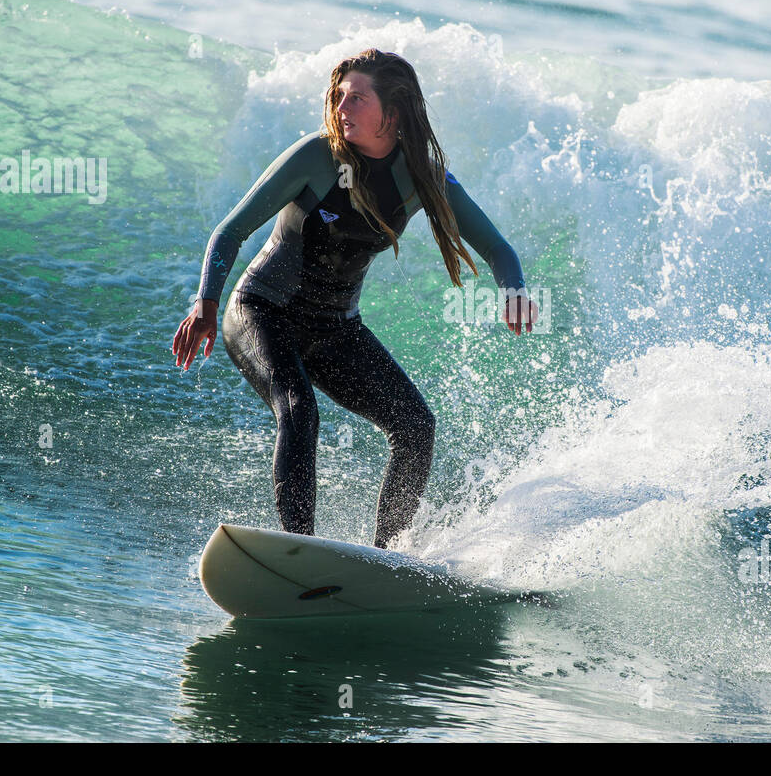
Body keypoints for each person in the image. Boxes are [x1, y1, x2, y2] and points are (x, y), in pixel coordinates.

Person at [171, 48, 538, 548]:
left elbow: (496, 247)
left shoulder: (421, 175)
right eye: (339, 96)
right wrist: (206, 303)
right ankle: (298, 550)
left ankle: (382, 558)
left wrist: (513, 289)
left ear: (392, 112)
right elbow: (230, 231)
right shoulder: (316, 158)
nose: (342, 108)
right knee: (298, 410)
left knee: (415, 426)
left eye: (357, 98)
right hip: (262, 310)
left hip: (336, 327)